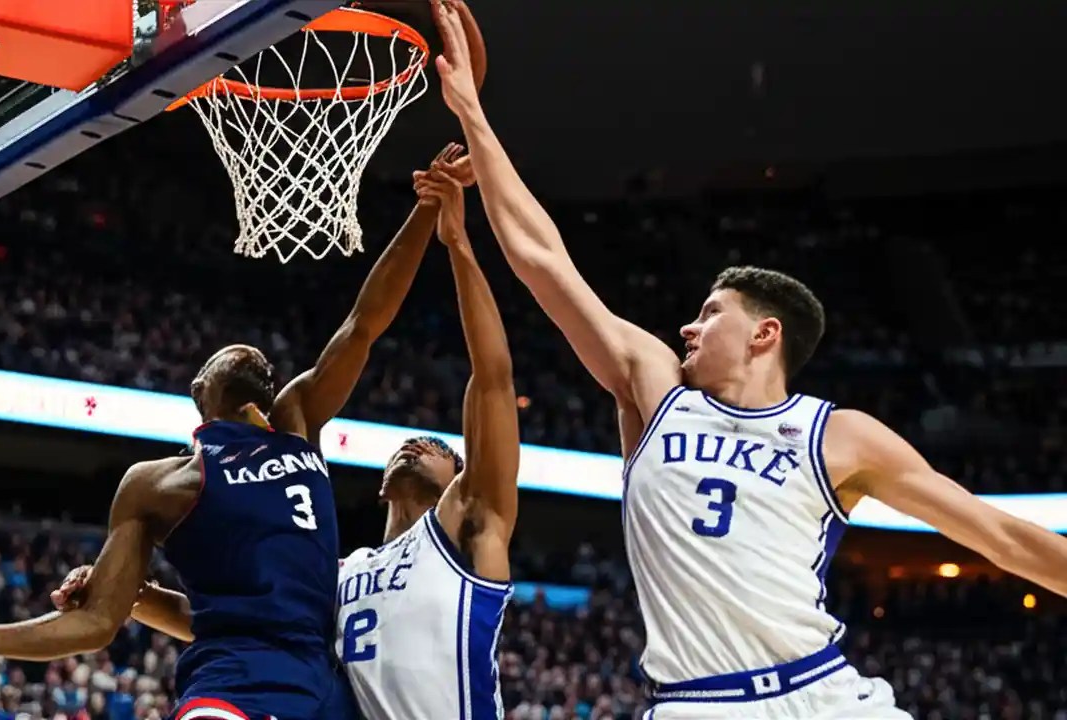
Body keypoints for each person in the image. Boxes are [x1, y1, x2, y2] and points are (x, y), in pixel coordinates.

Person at [429, 2, 1067, 718]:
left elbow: (1000, 535)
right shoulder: (656, 387)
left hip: (822, 694)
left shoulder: (839, 434)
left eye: (709, 314)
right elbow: (543, 258)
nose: (687, 326)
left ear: (765, 335)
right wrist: (473, 115)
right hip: (695, 703)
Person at [0, 144, 471, 720]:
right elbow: (94, 623)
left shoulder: (296, 419)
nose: (255, 356)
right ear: (199, 392)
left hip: (324, 685)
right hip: (235, 681)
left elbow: (365, 323)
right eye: (226, 354)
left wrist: (424, 208)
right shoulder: (157, 484)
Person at [53, 151, 522, 719]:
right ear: (378, 489)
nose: (420, 443)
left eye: (442, 447)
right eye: (416, 441)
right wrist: (129, 596)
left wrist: (459, 246)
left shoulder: (469, 531)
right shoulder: (342, 574)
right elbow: (237, 622)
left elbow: (493, 381)